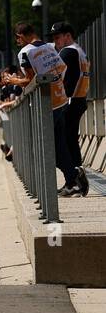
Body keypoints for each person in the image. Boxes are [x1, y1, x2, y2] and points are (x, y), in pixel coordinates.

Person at [2, 22, 74, 196]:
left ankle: (70, 178)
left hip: (45, 105)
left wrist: (13, 81)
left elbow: (30, 80)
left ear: (20, 36)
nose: (18, 42)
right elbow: (62, 68)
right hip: (61, 99)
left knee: (44, 147)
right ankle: (72, 180)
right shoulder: (50, 47)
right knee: (59, 145)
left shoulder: (25, 52)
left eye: (17, 39)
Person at [52, 21, 91, 195]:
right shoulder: (80, 51)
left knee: (60, 143)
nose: (55, 41)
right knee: (70, 140)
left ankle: (74, 178)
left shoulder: (68, 52)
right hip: (80, 99)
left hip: (70, 101)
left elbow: (67, 79)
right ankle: (74, 179)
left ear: (68, 35)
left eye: (58, 36)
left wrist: (62, 99)